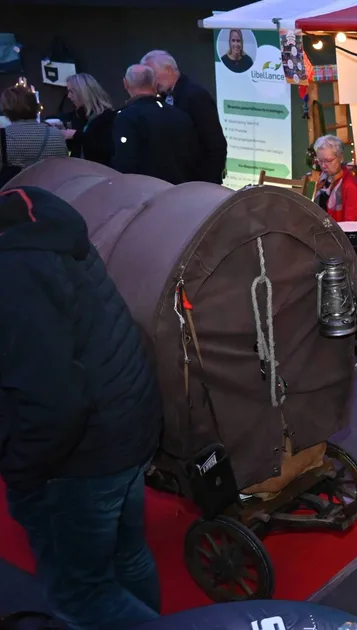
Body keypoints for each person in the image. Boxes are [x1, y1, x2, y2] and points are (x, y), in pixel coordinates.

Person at [0, 186, 163, 630]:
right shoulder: (36, 218)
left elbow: (52, 402)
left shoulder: (12, 271)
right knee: (127, 554)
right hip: (129, 419)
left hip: (82, 455)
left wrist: (20, 466)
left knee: (82, 595)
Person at [142, 50, 227, 184]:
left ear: (169, 70)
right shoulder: (160, 99)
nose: (152, 82)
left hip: (198, 181)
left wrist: (208, 183)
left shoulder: (195, 96)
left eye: (154, 75)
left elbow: (215, 144)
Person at [110, 64, 199, 185]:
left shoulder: (126, 118)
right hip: (179, 190)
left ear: (125, 84)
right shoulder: (179, 115)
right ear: (155, 84)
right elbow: (193, 156)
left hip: (146, 193)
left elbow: (126, 162)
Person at [0, 86, 68, 177]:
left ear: (6, 110)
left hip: (17, 189)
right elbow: (65, 169)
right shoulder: (57, 135)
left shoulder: (4, 138)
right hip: (50, 189)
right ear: (36, 106)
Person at [63, 73, 117, 166]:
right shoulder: (79, 116)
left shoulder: (106, 116)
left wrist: (75, 135)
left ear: (83, 92)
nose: (68, 96)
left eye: (72, 92)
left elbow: (102, 147)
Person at [312, 135, 357, 222]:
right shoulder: (322, 178)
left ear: (340, 157)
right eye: (320, 161)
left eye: (328, 161)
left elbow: (350, 223)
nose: (323, 166)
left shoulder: (349, 185)